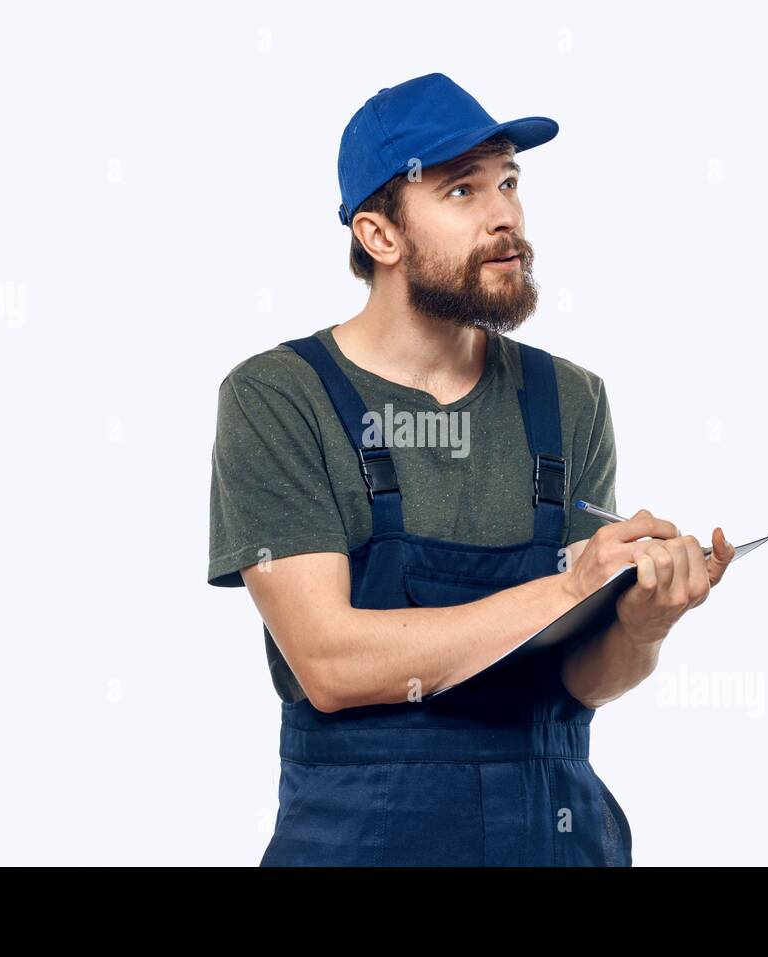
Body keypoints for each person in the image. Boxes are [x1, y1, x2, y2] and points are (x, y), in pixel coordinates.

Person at [208, 72, 736, 866]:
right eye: (462, 191)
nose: (507, 218)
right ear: (380, 236)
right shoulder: (280, 398)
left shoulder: (569, 400)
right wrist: (567, 585)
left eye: (510, 183)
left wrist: (641, 621)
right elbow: (330, 662)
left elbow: (580, 681)